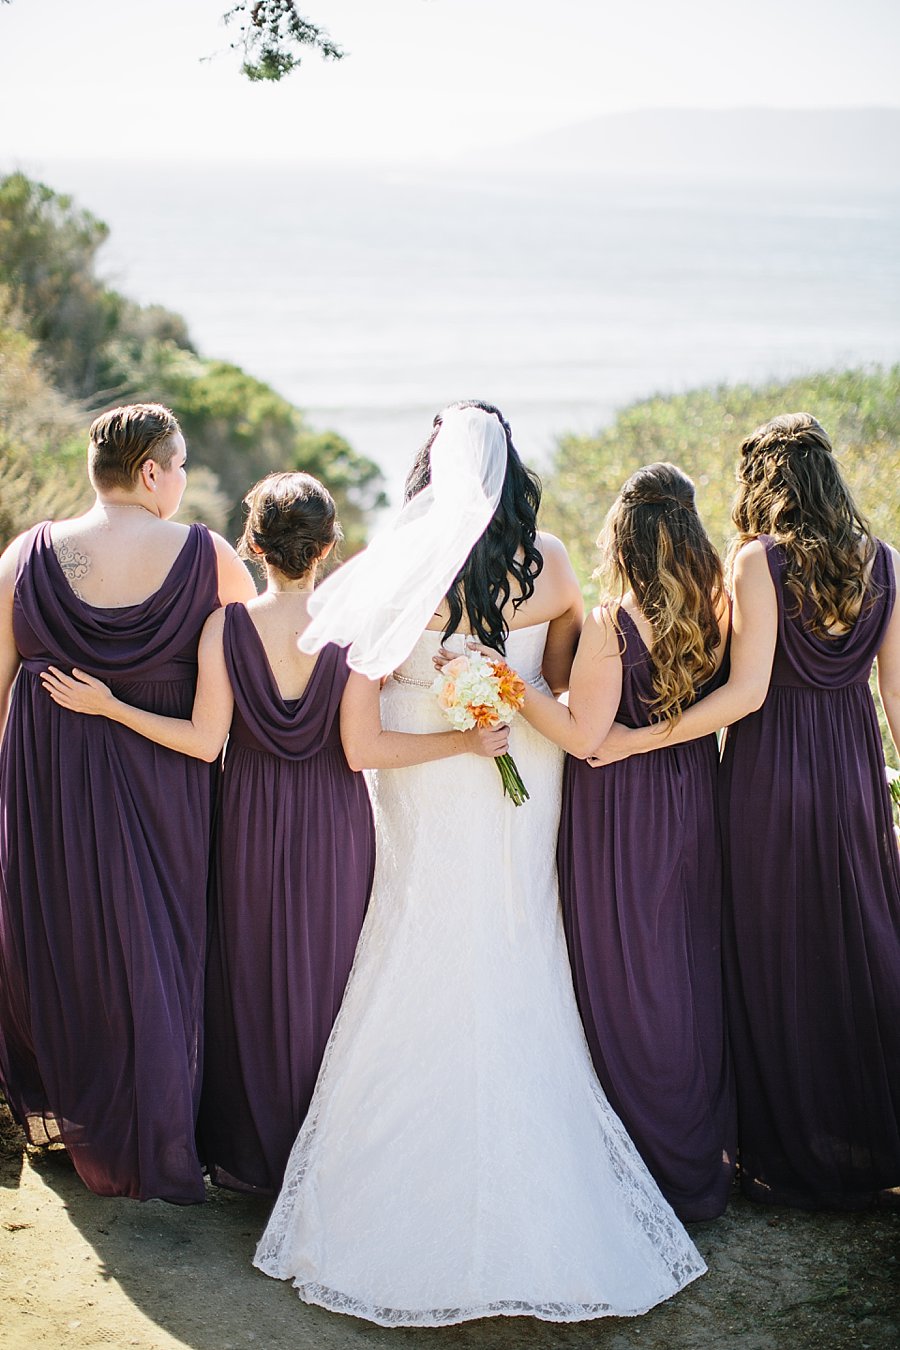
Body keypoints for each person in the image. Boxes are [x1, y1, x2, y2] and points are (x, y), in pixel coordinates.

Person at [252, 402, 707, 1328]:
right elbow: (576, 662)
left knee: (420, 939)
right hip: (525, 772)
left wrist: (460, 702)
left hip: (433, 777)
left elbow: (363, 738)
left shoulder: (402, 573)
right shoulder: (554, 566)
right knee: (512, 942)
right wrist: (513, 686)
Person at [41, 470, 508, 1196]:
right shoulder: (357, 632)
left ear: (252, 544)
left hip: (249, 817)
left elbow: (202, 741)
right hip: (334, 820)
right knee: (333, 977)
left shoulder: (223, 626)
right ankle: (324, 1153)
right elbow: (364, 751)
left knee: (250, 978)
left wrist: (110, 708)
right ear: (327, 546)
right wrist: (465, 744)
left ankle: (252, 1155)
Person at [591, 414, 900, 1209]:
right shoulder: (886, 562)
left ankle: (785, 1150)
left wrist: (641, 740)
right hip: (856, 769)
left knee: (772, 950)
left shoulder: (759, 560)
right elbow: (896, 697)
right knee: (859, 938)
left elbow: (746, 692)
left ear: (764, 483)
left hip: (771, 769)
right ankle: (870, 1138)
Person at [0, 402, 256, 1203]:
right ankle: (154, 1124)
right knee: (158, 946)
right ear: (152, 473)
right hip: (164, 785)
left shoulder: (21, 557)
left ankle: (73, 1116)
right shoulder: (210, 558)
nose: (179, 482)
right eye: (177, 468)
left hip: (48, 789)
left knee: (63, 939)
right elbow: (266, 667)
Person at [514, 462, 735, 1221]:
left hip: (623, 810)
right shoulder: (717, 604)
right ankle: (698, 1142)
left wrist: (513, 688)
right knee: (683, 960)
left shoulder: (613, 623)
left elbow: (584, 736)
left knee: (626, 973)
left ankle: (649, 1154)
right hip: (691, 796)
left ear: (624, 535)